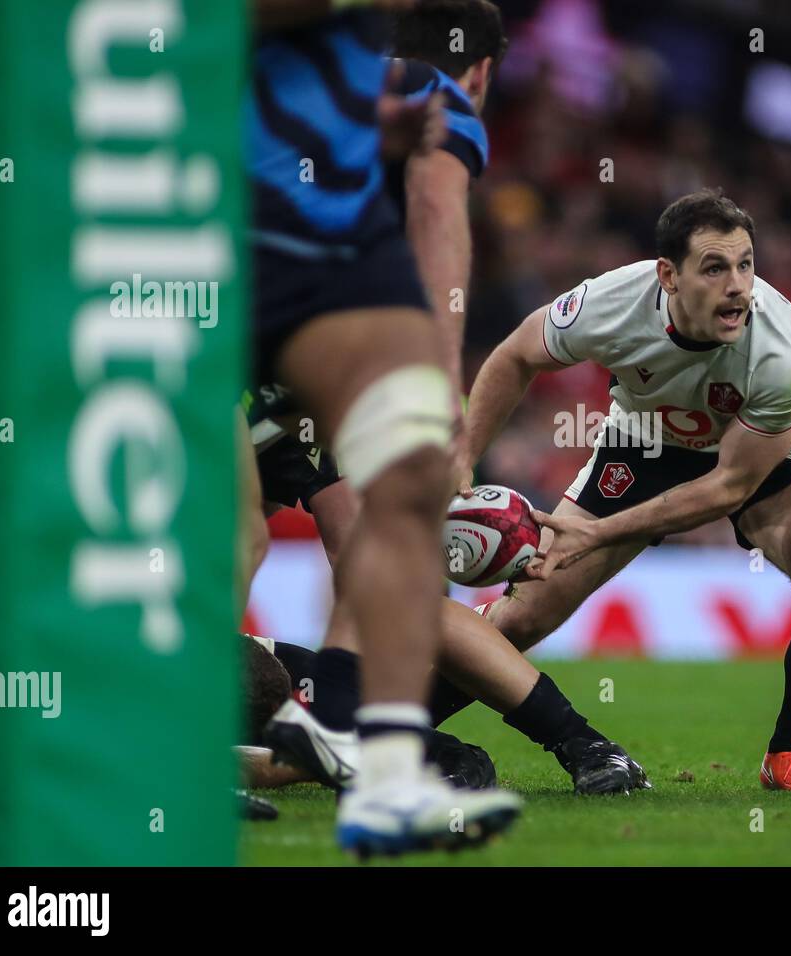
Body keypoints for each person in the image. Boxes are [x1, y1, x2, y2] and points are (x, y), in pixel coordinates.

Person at [456, 189, 791, 792]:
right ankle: (385, 732)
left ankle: (790, 752)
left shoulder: (788, 350)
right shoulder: (612, 302)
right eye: (715, 268)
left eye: (746, 264)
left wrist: (597, 532)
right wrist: (463, 462)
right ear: (668, 277)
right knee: (523, 616)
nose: (738, 286)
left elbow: (731, 485)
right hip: (641, 445)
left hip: (753, 454)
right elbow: (516, 355)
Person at [248, 0, 519, 856]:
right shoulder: (432, 82)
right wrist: (440, 373)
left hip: (281, 283)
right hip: (206, 267)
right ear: (485, 70)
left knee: (391, 488)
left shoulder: (397, 77)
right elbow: (438, 211)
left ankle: (364, 756)